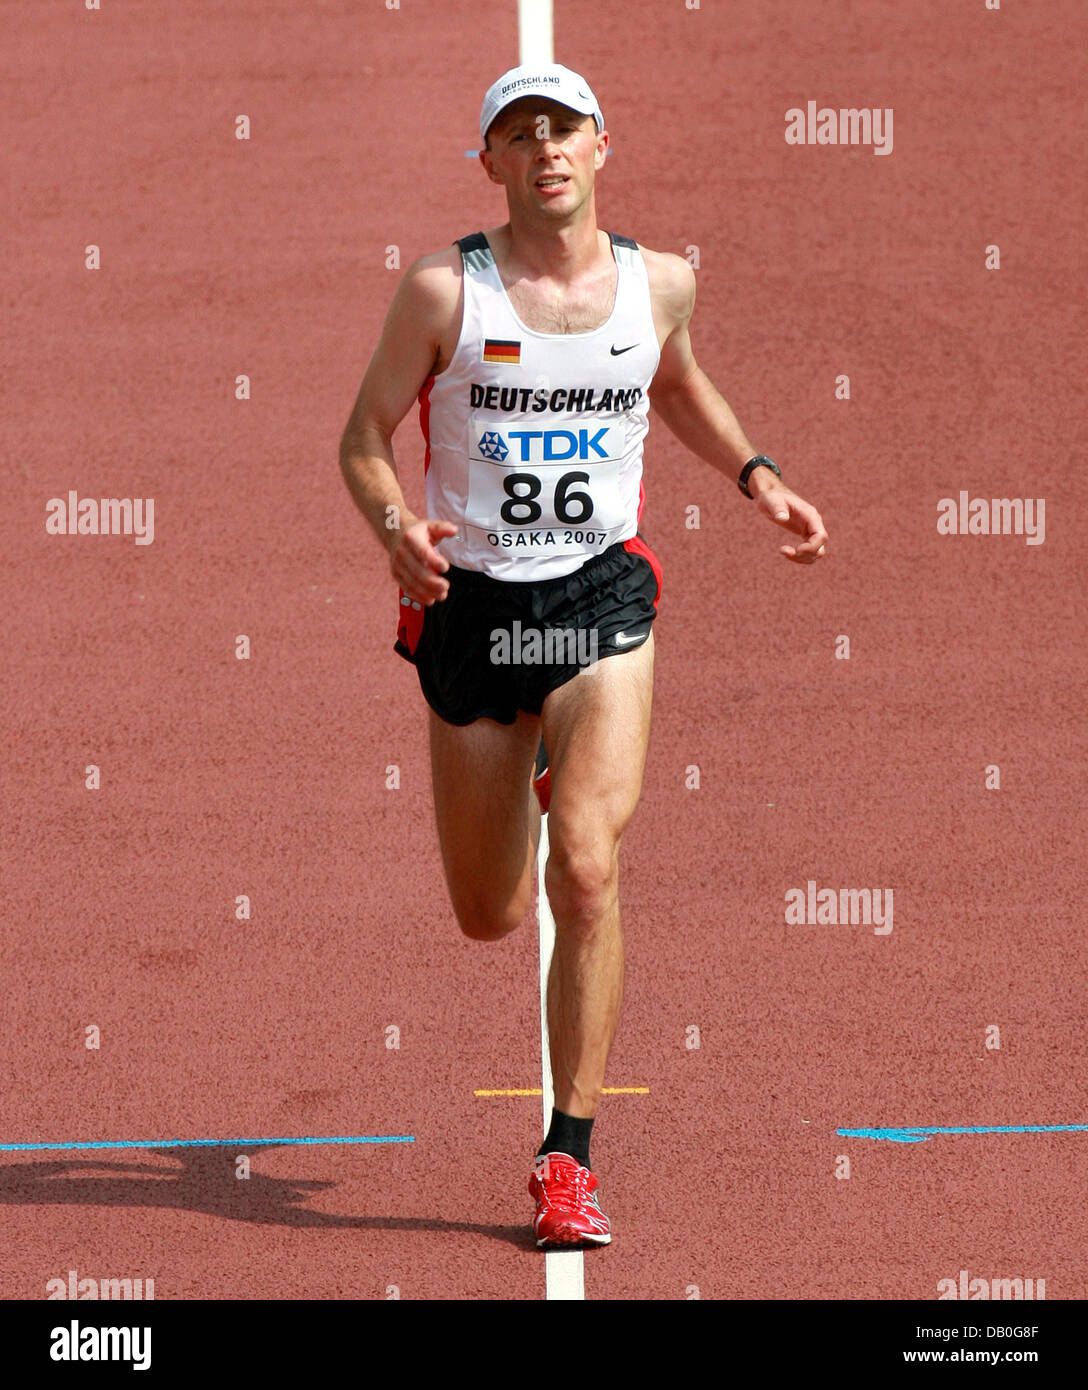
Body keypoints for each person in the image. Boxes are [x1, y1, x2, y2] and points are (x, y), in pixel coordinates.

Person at [338, 62, 829, 1249]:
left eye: (564, 127)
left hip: (599, 600)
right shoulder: (441, 293)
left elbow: (676, 383)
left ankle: (566, 1156)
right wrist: (399, 529)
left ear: (601, 145)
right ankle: (533, 765)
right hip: (471, 615)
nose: (545, 146)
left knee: (590, 869)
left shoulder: (660, 284)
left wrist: (756, 476)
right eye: (520, 132)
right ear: (492, 164)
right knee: (490, 912)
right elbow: (360, 439)